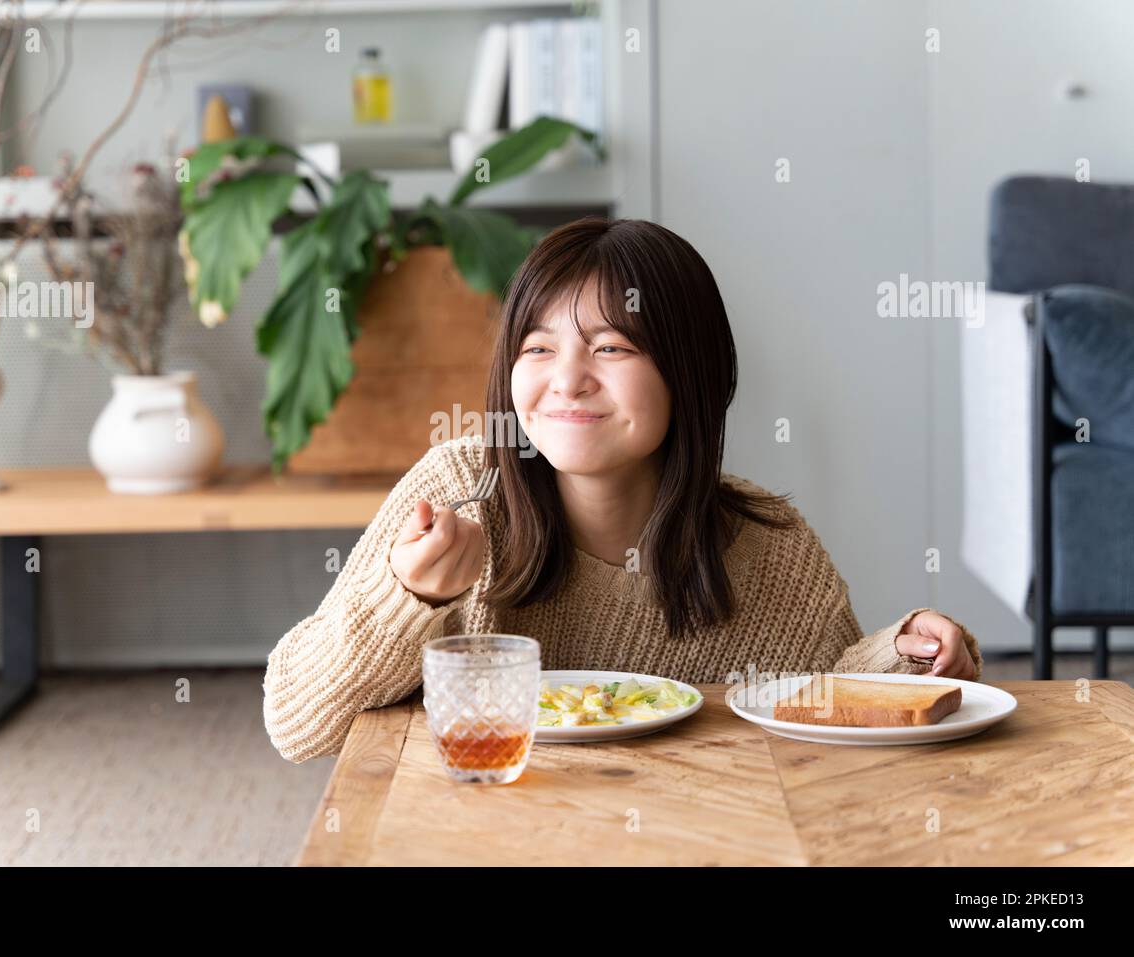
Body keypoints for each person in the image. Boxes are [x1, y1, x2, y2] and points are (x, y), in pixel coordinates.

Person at [263, 217, 982, 763]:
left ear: (689, 371)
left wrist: (907, 652)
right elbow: (295, 723)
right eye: (538, 347)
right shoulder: (460, 487)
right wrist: (408, 596)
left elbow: (821, 695)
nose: (568, 379)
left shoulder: (767, 543)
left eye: (611, 347)